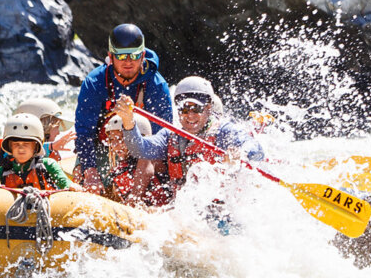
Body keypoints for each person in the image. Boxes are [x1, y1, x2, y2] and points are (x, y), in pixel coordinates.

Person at [112, 75, 264, 203]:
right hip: (187, 212)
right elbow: (140, 149)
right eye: (184, 110)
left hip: (224, 210)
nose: (189, 115)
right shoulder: (169, 135)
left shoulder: (224, 131)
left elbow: (257, 151)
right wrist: (128, 122)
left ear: (208, 108)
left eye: (196, 109)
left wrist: (241, 153)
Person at [72, 23, 173, 196]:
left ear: (142, 56)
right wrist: (90, 171)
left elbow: (161, 138)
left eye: (134, 55)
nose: (128, 61)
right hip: (105, 147)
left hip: (143, 149)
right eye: (121, 56)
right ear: (111, 57)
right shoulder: (95, 83)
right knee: (84, 177)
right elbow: (84, 133)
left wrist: (141, 186)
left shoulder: (156, 85)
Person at [0, 114, 72, 190]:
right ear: (10, 147)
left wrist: (71, 186)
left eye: (26, 144)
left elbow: (65, 183)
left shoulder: (48, 165)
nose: (21, 148)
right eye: (16, 144)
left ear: (36, 146)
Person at [0, 97, 74, 165]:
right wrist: (51, 146)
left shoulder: (51, 150)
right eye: (56, 127)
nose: (58, 132)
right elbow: (17, 155)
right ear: (42, 126)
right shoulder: (11, 150)